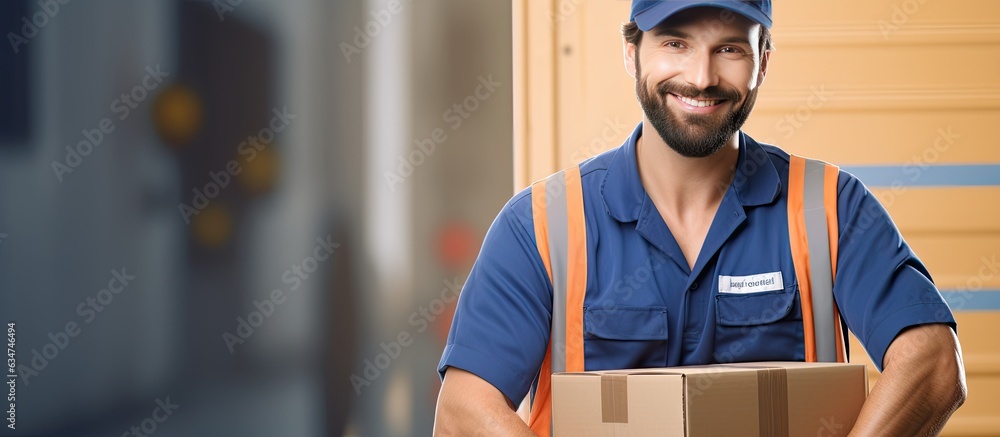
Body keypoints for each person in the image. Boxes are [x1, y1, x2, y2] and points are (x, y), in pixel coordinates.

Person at [434, 1, 966, 435]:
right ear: (631, 52)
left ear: (763, 61)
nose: (701, 76)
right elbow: (463, 409)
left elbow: (935, 364)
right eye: (675, 42)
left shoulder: (828, 205)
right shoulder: (543, 224)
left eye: (730, 48)